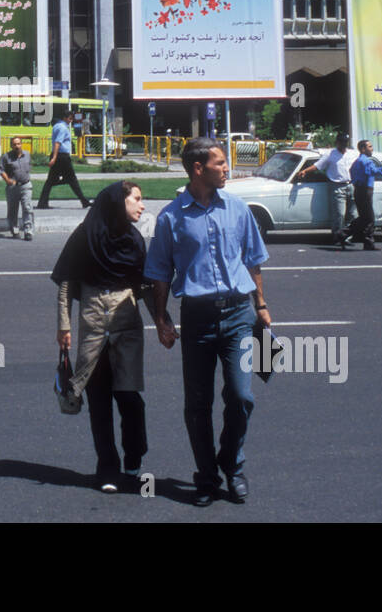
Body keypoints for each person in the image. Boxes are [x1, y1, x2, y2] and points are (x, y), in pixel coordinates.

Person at [144, 139, 270, 506]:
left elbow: (253, 260)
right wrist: (162, 318)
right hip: (197, 319)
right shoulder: (170, 218)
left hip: (238, 315)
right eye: (220, 162)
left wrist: (261, 305)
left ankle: (232, 464)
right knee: (197, 404)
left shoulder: (237, 208)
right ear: (198, 169)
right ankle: (207, 477)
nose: (227, 167)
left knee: (242, 396)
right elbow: (159, 274)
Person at [52, 181, 150, 493]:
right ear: (118, 201)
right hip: (92, 322)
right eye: (136, 199)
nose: (142, 205)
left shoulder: (134, 240)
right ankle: (107, 468)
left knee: (129, 397)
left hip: (126, 322)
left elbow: (145, 287)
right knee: (98, 399)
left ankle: (133, 461)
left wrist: (163, 321)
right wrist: (64, 326)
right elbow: (67, 281)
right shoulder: (85, 235)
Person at [300, 131, 357, 246]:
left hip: (351, 185)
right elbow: (318, 165)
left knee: (353, 214)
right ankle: (337, 237)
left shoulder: (352, 154)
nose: (343, 144)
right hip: (337, 186)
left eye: (345, 142)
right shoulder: (330, 154)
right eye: (341, 142)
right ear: (337, 143)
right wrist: (305, 171)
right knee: (339, 214)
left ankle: (347, 237)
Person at [345, 140, 382, 250]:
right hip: (365, 191)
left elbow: (351, 171)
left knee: (364, 218)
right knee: (369, 218)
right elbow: (377, 171)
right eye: (370, 146)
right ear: (363, 149)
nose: (372, 149)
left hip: (359, 190)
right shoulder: (367, 161)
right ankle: (358, 238)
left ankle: (347, 234)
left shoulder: (357, 162)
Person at [37, 115, 91, 209]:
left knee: (51, 181)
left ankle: (42, 203)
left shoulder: (56, 126)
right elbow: (58, 142)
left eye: (71, 119)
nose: (71, 120)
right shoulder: (62, 128)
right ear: (65, 118)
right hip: (62, 157)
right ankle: (84, 201)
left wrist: (54, 156)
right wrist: (54, 157)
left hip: (58, 155)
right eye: (70, 118)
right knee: (72, 179)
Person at [0, 135, 34, 240]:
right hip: (13, 187)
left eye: (18, 144)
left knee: (27, 208)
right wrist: (8, 180)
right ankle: (15, 230)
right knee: (13, 210)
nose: (17, 146)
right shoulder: (6, 157)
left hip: (25, 185)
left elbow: (30, 166)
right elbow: (1, 170)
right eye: (14, 144)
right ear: (11, 146)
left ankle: (28, 231)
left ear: (21, 144)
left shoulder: (27, 155)